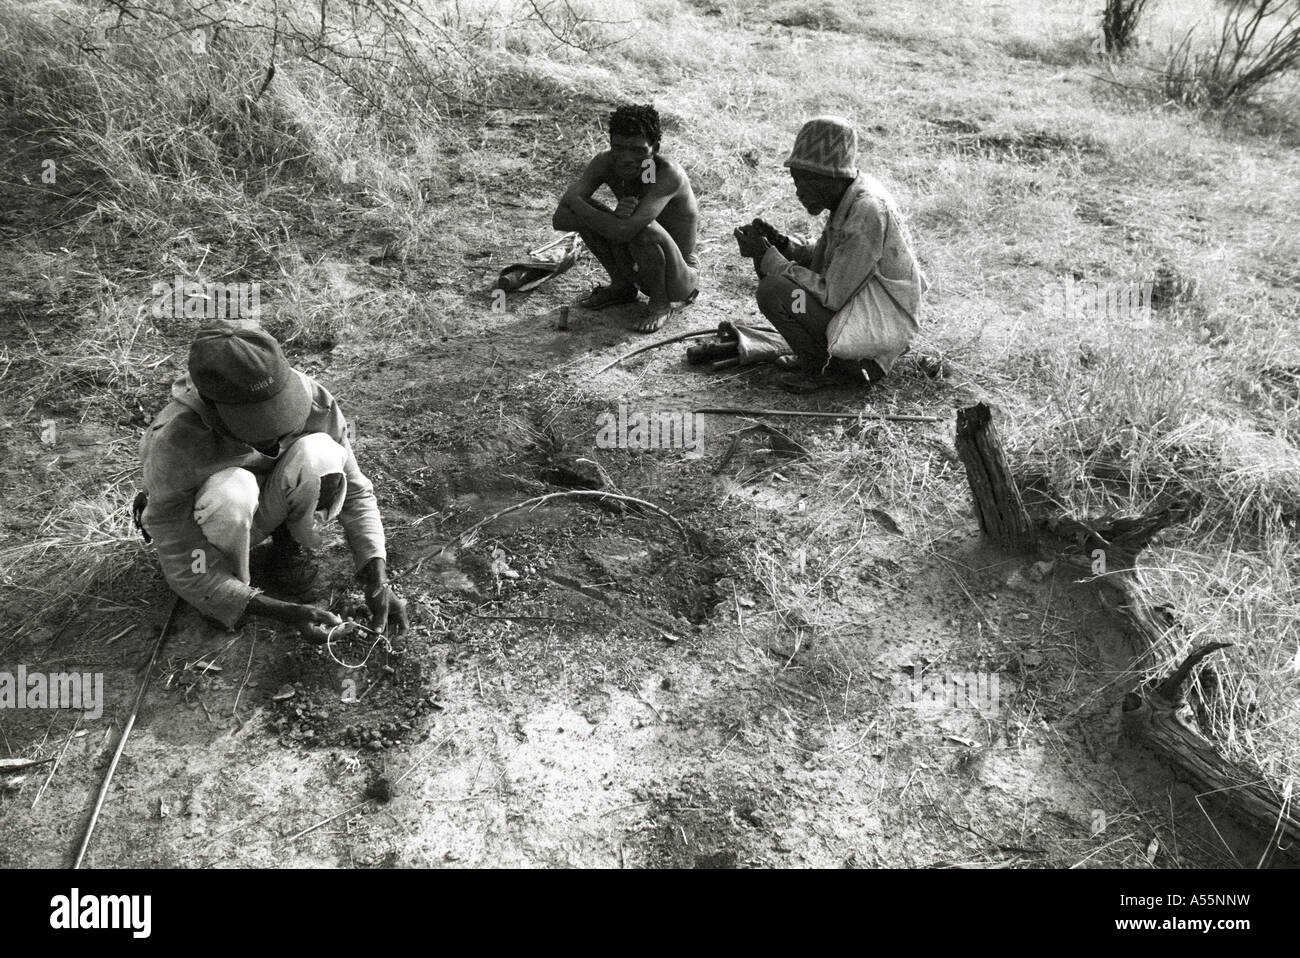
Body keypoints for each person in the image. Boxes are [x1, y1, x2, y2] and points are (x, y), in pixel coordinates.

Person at [138, 321, 407, 643]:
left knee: (320, 453)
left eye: (278, 409)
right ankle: (233, 581)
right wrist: (280, 611)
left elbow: (356, 492)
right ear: (212, 406)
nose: (274, 430)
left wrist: (376, 577)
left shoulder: (314, 399)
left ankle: (289, 543)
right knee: (232, 492)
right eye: (256, 419)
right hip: (217, 522)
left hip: (272, 504)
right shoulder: (175, 442)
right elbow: (183, 557)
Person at [734, 115, 927, 385]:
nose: (799, 190)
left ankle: (825, 367)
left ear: (831, 177)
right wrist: (785, 245)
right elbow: (838, 259)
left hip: (867, 344)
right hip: (853, 317)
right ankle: (820, 358)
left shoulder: (866, 210)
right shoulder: (850, 194)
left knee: (776, 291)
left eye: (805, 180)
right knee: (783, 289)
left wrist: (770, 258)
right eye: (795, 180)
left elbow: (830, 294)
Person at [552, 103, 700, 333]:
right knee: (594, 215)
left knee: (641, 228)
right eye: (619, 148)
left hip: (679, 278)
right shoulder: (605, 161)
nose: (627, 159)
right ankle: (622, 286)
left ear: (655, 148)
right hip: (636, 257)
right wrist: (611, 218)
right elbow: (560, 219)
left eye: (638, 151)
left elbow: (626, 231)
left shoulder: (667, 173)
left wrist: (581, 205)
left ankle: (660, 303)